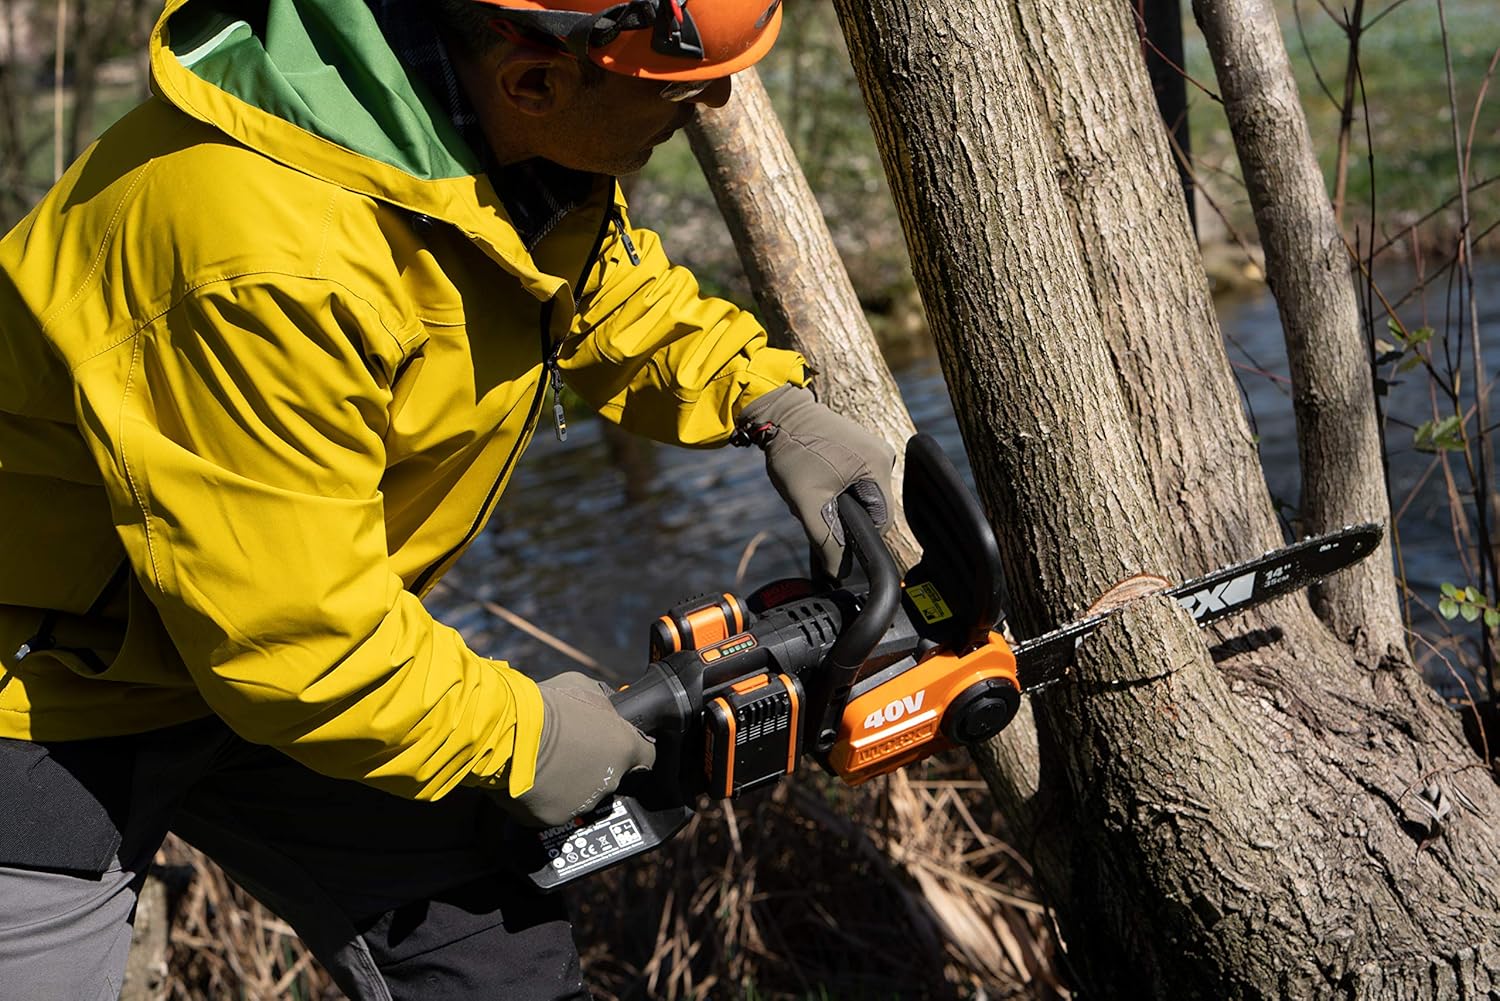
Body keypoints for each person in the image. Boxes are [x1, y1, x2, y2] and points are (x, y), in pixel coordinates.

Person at [0, 0, 895, 998]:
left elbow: (591, 286)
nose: (719, 100)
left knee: (495, 962)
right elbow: (297, 643)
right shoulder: (259, 257)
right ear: (535, 81)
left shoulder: (476, 135)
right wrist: (524, 735)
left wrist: (757, 393)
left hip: (265, 647)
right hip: (43, 685)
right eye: (682, 95)